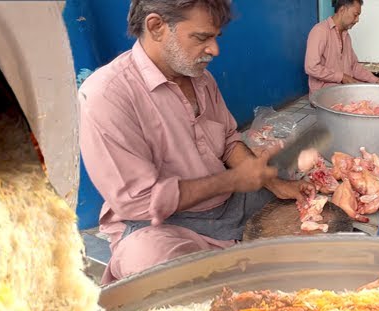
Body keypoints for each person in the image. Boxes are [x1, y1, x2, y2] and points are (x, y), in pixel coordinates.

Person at [79, 0, 308, 283]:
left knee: (298, 195)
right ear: (156, 26)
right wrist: (234, 180)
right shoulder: (107, 95)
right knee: (152, 263)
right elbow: (140, 202)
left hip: (227, 204)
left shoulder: (202, 79)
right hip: (162, 224)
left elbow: (227, 140)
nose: (215, 50)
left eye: (215, 37)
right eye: (202, 38)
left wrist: (272, 182)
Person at [304, 0, 379, 92]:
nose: (357, 20)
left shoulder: (346, 36)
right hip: (324, 91)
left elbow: (353, 66)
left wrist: (376, 80)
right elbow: (311, 67)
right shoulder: (320, 31)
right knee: (364, 97)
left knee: (375, 91)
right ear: (342, 10)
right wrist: (341, 77)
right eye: (355, 15)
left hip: (343, 87)